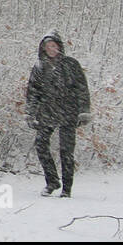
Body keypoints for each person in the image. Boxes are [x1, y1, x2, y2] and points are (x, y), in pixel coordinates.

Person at [26, 32, 91, 197]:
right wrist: (30, 113)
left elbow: (82, 88)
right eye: (48, 47)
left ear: (60, 47)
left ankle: (66, 189)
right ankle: (52, 181)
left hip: (69, 112)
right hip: (47, 112)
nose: (51, 50)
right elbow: (33, 92)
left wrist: (84, 111)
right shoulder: (39, 67)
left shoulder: (71, 64)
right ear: (43, 49)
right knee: (40, 144)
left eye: (54, 46)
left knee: (66, 151)